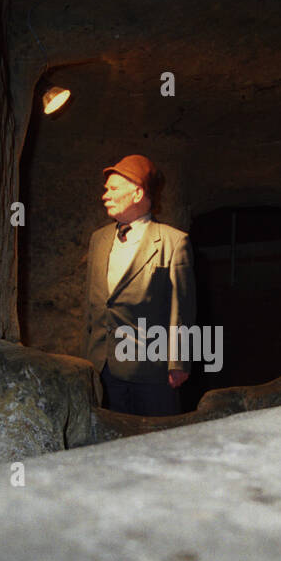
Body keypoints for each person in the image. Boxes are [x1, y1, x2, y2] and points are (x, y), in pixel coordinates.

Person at [83, 155, 195, 416]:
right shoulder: (98, 239)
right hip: (102, 368)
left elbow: (183, 311)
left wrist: (178, 363)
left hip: (152, 371)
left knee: (155, 443)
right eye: (105, 190)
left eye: (113, 189)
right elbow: (91, 306)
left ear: (137, 193)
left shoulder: (173, 241)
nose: (105, 195)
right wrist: (86, 361)